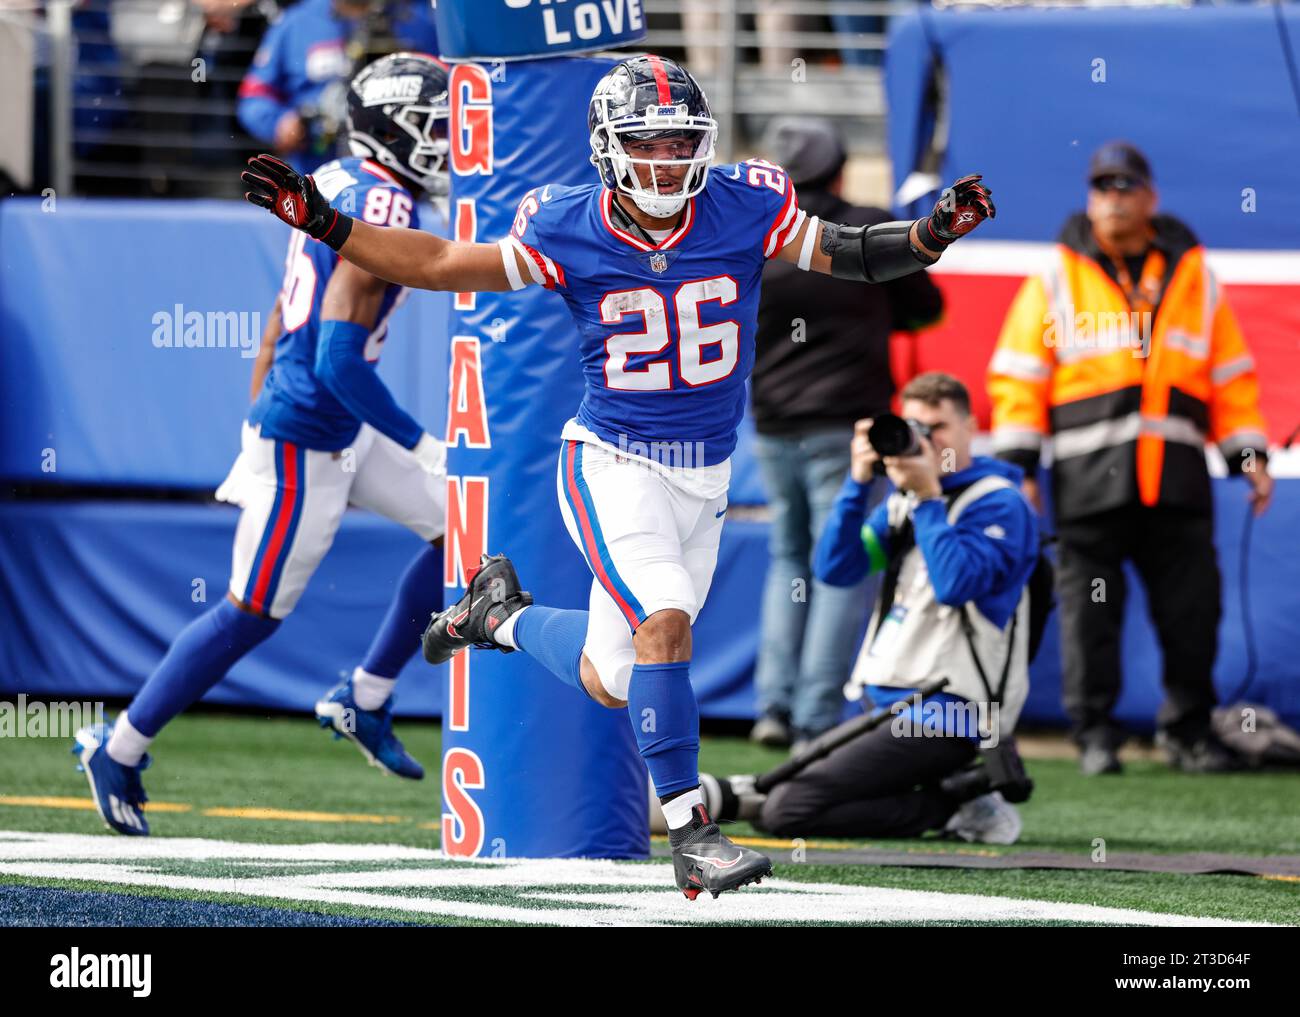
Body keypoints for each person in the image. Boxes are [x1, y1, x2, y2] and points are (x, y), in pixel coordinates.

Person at [240, 54, 996, 898]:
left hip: (705, 477)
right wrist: (325, 220)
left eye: (682, 144)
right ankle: (692, 836)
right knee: (663, 622)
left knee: (614, 675)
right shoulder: (569, 224)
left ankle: (499, 617)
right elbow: (444, 263)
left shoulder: (746, 203)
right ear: (608, 146)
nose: (670, 162)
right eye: (651, 143)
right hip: (612, 461)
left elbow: (853, 253)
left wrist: (932, 233)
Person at [73, 54, 453, 836]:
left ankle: (366, 696)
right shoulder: (378, 203)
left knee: (464, 533)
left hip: (321, 419)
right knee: (251, 612)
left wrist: (259, 394)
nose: (448, 143)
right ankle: (118, 745)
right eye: (435, 129)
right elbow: (336, 359)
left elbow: (283, 315)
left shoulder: (339, 179)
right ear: (392, 130)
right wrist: (423, 446)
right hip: (309, 435)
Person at [988, 141, 1272, 776]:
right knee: (1091, 616)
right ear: (1090, 200)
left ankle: (1190, 732)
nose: (1113, 198)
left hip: (1176, 482)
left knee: (1194, 611)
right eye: (1102, 187)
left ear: (1151, 197)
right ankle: (1094, 734)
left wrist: (1248, 454)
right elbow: (1018, 379)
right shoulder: (1057, 274)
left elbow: (1231, 378)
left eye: (1125, 187)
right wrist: (1019, 472)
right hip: (1090, 483)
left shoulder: (1195, 275)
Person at [749, 372, 1038, 842]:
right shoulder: (904, 500)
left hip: (951, 715)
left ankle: (957, 808)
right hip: (888, 709)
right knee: (771, 804)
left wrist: (928, 497)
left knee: (789, 812)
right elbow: (835, 570)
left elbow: (956, 585)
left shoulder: (999, 503)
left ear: (970, 426)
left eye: (938, 427)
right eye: (914, 426)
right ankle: (957, 794)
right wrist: (858, 483)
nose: (924, 439)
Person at [750, 117, 943, 750]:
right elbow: (926, 305)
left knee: (789, 560)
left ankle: (773, 706)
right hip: (850, 428)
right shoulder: (861, 225)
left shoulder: (757, 230)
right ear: (838, 171)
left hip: (774, 425)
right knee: (838, 567)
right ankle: (814, 717)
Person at [237, 0, 439, 173]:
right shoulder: (297, 22)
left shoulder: (417, 22)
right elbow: (255, 96)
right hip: (316, 169)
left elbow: (447, 89)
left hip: (402, 169)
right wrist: (279, 123)